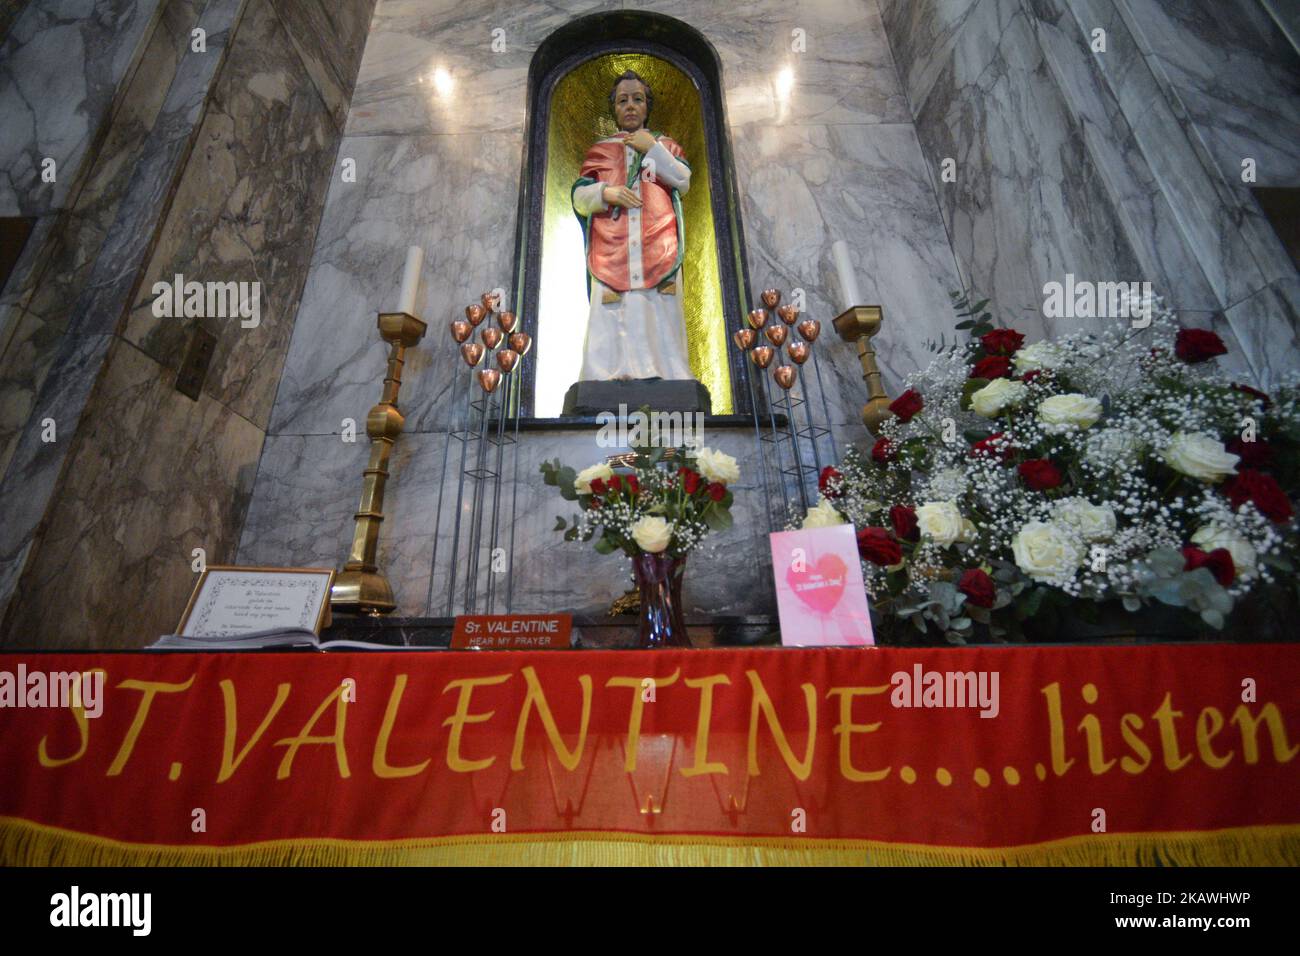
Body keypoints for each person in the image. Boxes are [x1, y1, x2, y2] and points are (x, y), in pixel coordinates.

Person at [571, 69, 694, 382]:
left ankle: (664, 374)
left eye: (637, 99)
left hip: (657, 244)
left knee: (654, 309)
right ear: (613, 108)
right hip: (613, 248)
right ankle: (603, 377)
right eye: (622, 100)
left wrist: (652, 148)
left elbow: (682, 180)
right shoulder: (600, 150)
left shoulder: (664, 146)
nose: (630, 106)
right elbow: (579, 196)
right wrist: (607, 193)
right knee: (612, 312)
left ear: (647, 106)